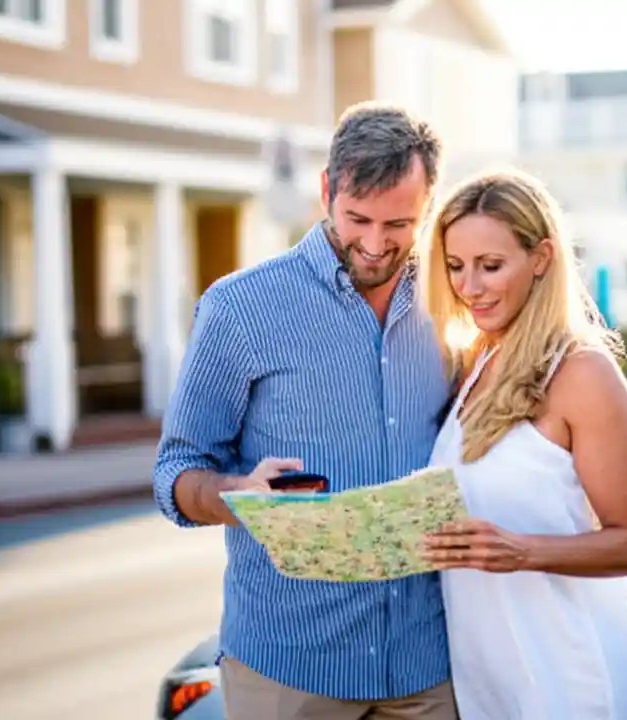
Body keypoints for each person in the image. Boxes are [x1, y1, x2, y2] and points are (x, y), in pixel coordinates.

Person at [151, 102, 458, 720]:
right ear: (326, 190)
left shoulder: (455, 299)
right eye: (357, 218)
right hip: (292, 667)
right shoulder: (240, 308)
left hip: (428, 661)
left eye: (399, 223)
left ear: (430, 205)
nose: (375, 245)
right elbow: (175, 472)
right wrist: (240, 493)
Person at [419, 168, 627, 719]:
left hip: (571, 686)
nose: (469, 287)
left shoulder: (582, 373)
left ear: (542, 258)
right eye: (456, 267)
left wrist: (524, 551)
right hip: (492, 690)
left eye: (491, 266)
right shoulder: (474, 366)